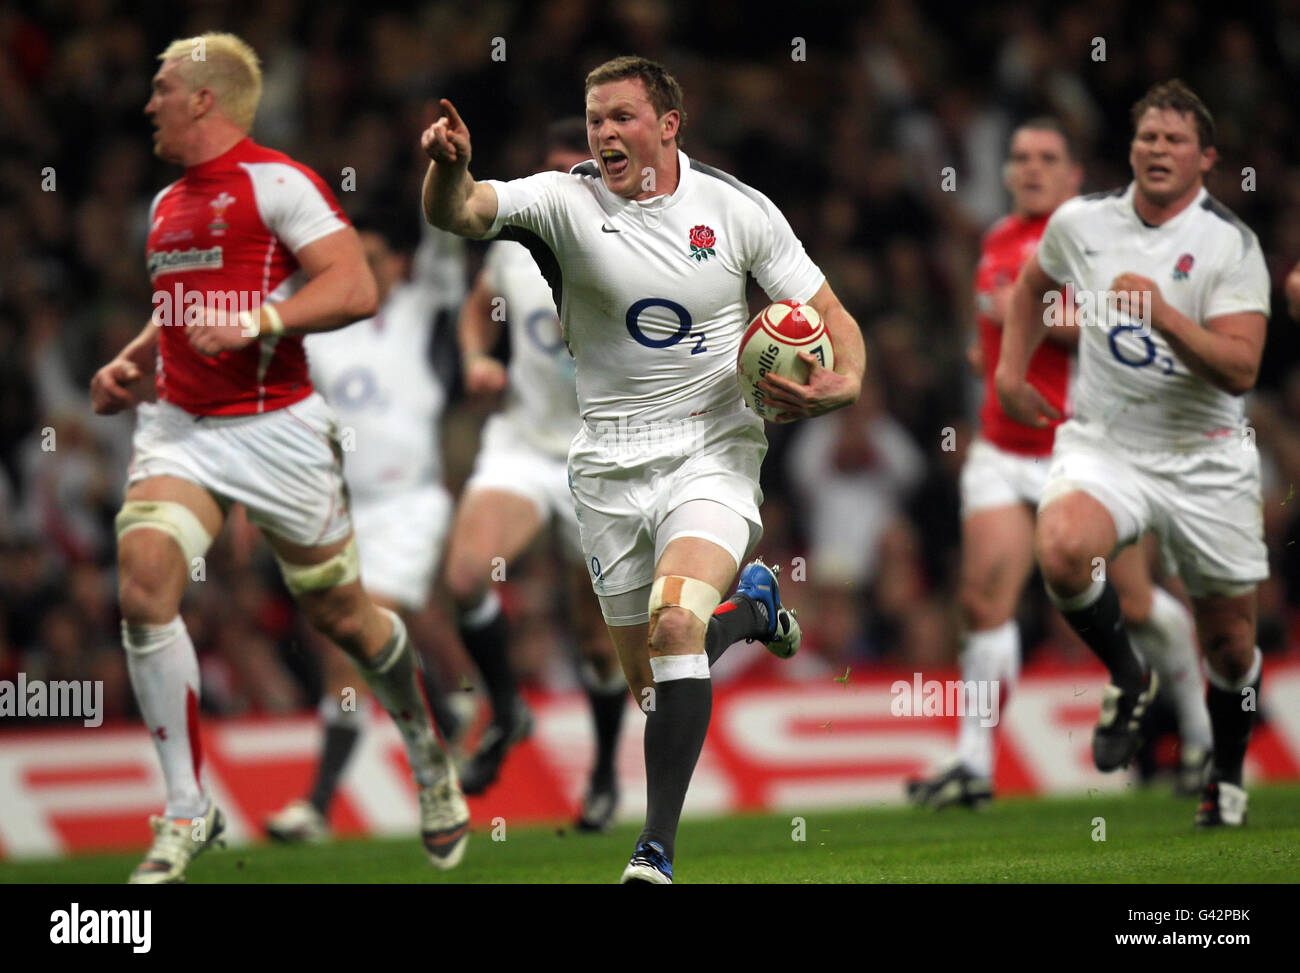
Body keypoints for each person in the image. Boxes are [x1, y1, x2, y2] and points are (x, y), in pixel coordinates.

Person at [420, 55, 865, 882]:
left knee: (673, 626)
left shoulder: (736, 210)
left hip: (713, 447)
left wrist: (848, 380)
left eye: (621, 117)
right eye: (594, 119)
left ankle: (653, 851)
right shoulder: (564, 201)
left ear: (668, 124)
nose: (603, 134)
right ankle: (754, 609)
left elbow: (833, 316)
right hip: (607, 463)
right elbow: (464, 211)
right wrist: (450, 168)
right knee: (657, 687)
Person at [90, 33, 467, 883]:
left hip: (279, 429)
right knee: (144, 578)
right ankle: (187, 808)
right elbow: (181, 308)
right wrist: (133, 358)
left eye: (161, 88)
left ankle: (427, 752)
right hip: (183, 425)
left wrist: (260, 323)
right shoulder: (163, 206)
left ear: (204, 99)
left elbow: (354, 287)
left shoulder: (279, 183)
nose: (146, 103)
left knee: (345, 621)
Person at [908, 118, 1212, 809]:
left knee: (1133, 604)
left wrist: (1037, 316)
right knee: (983, 599)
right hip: (1002, 447)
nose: (1031, 168)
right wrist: (992, 345)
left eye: (1048, 158)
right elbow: (998, 326)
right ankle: (974, 766)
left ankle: (1200, 735)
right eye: (1019, 156)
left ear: (1075, 175)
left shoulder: (1101, 240)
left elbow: (1113, 327)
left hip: (1085, 455)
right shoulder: (996, 240)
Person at [996, 81, 1270, 828]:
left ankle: (1227, 774)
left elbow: (1242, 368)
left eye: (1176, 140)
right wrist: (1010, 373)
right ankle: (1128, 670)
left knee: (1231, 643)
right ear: (1130, 148)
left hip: (1206, 457)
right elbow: (1030, 285)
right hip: (1108, 442)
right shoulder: (1081, 223)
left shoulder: (1231, 247)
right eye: (1148, 136)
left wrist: (1166, 314)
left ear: (1206, 158)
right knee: (1061, 550)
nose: (1158, 149)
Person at [445, 119, 628, 830]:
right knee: (464, 576)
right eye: (553, 172)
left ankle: (607, 772)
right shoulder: (512, 252)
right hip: (521, 446)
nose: (565, 184)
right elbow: (474, 312)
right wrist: (474, 357)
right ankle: (508, 706)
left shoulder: (629, 251)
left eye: (577, 171)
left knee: (594, 635)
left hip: (602, 457)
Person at [264, 211, 466, 843]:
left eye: (378, 258)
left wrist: (446, 176)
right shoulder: (321, 335)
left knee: (365, 626)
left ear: (399, 267)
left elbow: (445, 244)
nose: (369, 270)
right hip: (345, 510)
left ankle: (437, 720)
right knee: (339, 660)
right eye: (357, 261)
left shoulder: (416, 310)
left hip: (410, 503)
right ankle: (445, 710)